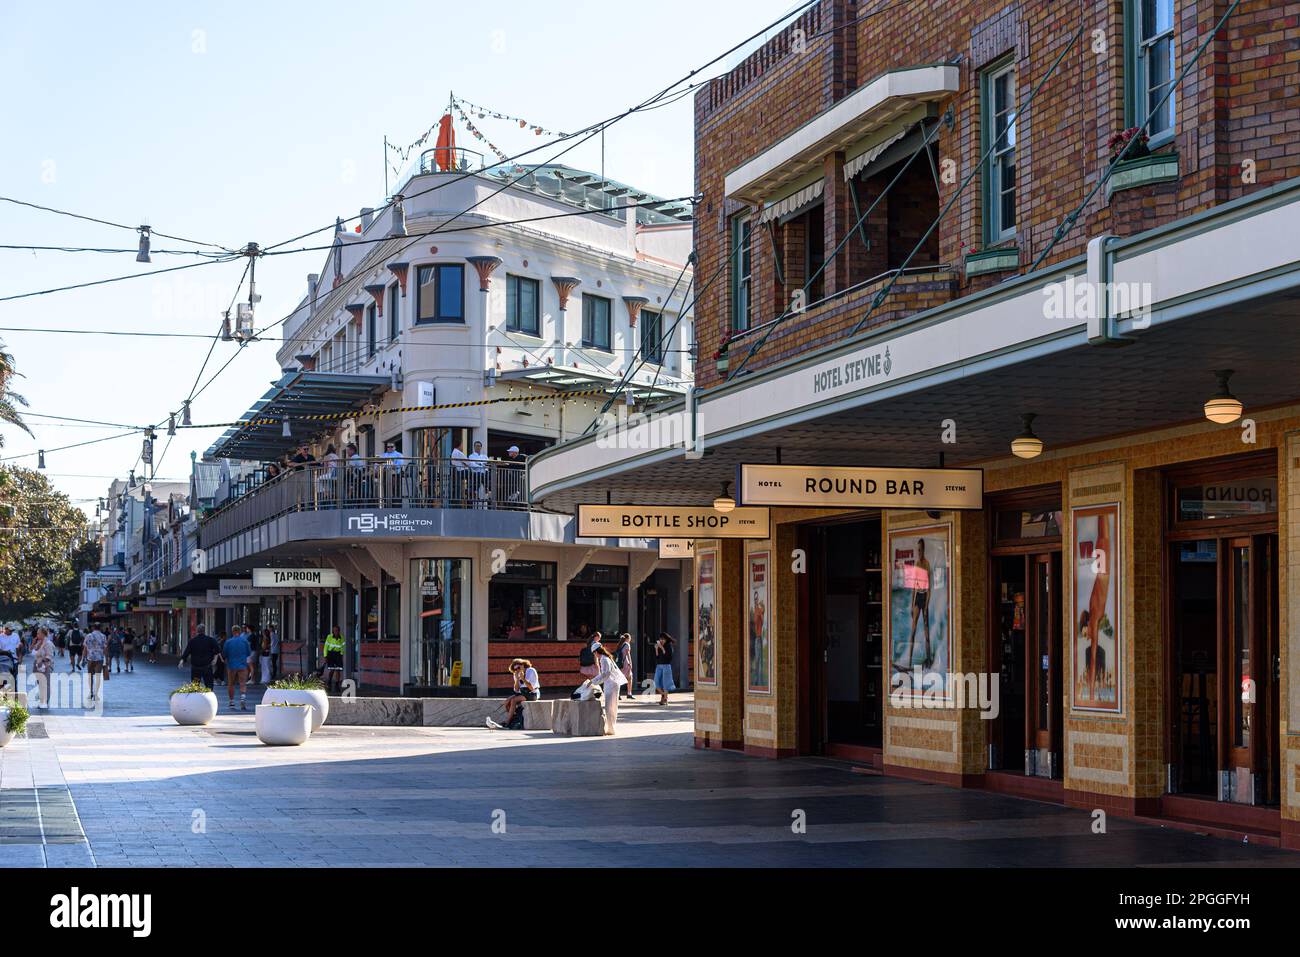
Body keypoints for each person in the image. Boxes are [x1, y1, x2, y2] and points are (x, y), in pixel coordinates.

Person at [486, 658, 540, 730]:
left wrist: (523, 678)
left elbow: (531, 688)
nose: (518, 670)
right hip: (523, 693)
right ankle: (514, 718)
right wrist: (517, 679)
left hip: (532, 693)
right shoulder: (516, 674)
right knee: (507, 702)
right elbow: (516, 690)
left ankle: (507, 722)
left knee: (514, 700)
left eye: (519, 667)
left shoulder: (530, 670)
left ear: (523, 665)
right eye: (515, 669)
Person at [594, 646, 628, 734]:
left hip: (611, 685)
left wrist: (595, 681)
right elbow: (605, 674)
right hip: (612, 684)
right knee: (612, 706)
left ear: (596, 652)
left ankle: (611, 729)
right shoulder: (606, 658)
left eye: (594, 653)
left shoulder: (604, 659)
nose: (595, 655)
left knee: (609, 707)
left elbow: (606, 673)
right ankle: (611, 728)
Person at [220, 625, 252, 711]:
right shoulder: (245, 641)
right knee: (242, 683)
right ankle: (242, 699)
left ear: (232, 631)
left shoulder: (228, 642)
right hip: (242, 665)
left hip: (231, 665)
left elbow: (224, 654)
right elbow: (249, 653)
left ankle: (232, 702)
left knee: (231, 684)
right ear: (240, 631)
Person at [82, 624, 107, 701]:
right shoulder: (103, 636)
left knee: (90, 676)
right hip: (99, 658)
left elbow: (85, 648)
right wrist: (107, 659)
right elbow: (105, 648)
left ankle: (90, 693)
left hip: (90, 658)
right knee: (98, 676)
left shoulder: (88, 636)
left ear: (93, 628)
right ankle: (96, 694)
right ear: (100, 628)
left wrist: (83, 658)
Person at [30, 627, 53, 709]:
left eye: (38, 633)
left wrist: (41, 659)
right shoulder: (39, 642)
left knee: (45, 684)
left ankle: (45, 702)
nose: (37, 635)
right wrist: (33, 643)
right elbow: (32, 652)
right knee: (40, 684)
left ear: (43, 634)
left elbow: (49, 656)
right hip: (37, 666)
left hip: (44, 666)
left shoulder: (48, 643)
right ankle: (42, 701)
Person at [653, 632, 676, 706]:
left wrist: (661, 647)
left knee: (665, 684)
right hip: (659, 666)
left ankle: (664, 699)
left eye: (663, 639)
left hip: (666, 666)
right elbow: (657, 658)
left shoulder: (669, 646)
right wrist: (656, 649)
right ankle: (664, 695)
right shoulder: (660, 646)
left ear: (666, 639)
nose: (661, 640)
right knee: (656, 683)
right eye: (660, 639)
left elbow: (668, 657)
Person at [322, 626, 345, 694]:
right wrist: (325, 656)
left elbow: (343, 647)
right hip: (331, 654)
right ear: (333, 631)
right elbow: (326, 647)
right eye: (335, 631)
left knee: (338, 670)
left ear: (339, 631)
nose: (336, 632)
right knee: (332, 670)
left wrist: (341, 655)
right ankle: (329, 682)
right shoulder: (329, 637)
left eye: (337, 630)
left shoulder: (342, 638)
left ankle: (337, 685)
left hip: (338, 655)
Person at [615, 633, 636, 700]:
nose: (630, 640)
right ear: (627, 639)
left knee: (619, 678)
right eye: (629, 639)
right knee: (630, 678)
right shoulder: (627, 644)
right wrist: (631, 663)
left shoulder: (620, 644)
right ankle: (629, 693)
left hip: (620, 664)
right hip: (625, 663)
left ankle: (617, 694)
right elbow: (628, 655)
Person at [0, 626, 20, 691]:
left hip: (14, 660)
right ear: (5, 629)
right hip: (3, 660)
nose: (11, 632)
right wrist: (7, 652)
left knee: (14, 679)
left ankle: (15, 694)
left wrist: (19, 657)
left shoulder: (16, 635)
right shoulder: (0, 637)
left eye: (12, 630)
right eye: (10, 630)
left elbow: (18, 647)